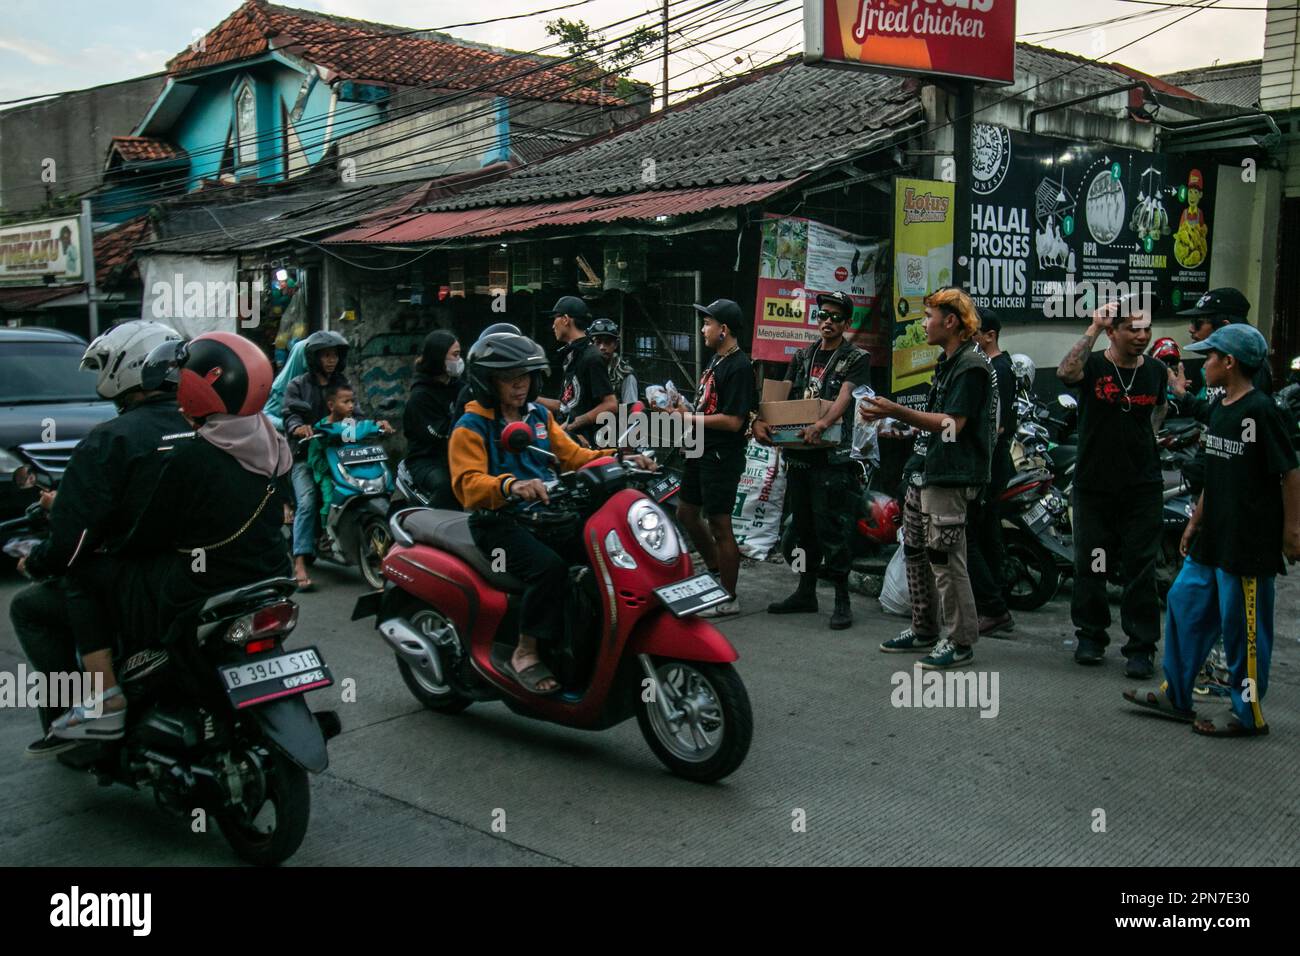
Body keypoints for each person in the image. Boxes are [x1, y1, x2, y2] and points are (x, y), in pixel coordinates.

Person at [44, 332, 295, 741]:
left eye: (186, 378)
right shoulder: (273, 441)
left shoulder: (194, 453)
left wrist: (114, 547)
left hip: (199, 583)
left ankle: (105, 696)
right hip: (269, 572)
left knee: (83, 575)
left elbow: (148, 535)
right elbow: (285, 508)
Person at [10, 320, 187, 756]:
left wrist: (36, 561)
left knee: (34, 602)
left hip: (142, 577)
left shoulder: (111, 438)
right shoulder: (209, 424)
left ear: (128, 367)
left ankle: (94, 705)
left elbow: (74, 539)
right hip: (205, 568)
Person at [448, 331, 654, 694]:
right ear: (487, 381)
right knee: (550, 569)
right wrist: (510, 485)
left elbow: (574, 456)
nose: (519, 386)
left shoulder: (539, 416)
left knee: (604, 551)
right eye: (509, 379)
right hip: (499, 522)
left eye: (525, 378)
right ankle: (525, 652)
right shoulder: (471, 426)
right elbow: (467, 485)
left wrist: (622, 458)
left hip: (547, 512)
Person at [1124, 324, 1300, 736]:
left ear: (1230, 362)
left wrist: (1293, 531)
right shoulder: (1222, 408)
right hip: (1212, 537)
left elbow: (1290, 473)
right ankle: (1177, 694)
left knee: (1244, 632)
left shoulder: (1261, 410)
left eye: (1210, 358)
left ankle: (1247, 712)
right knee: (1184, 605)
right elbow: (1217, 476)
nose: (1203, 366)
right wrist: (1194, 522)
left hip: (1247, 543)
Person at [862, 287, 996, 669]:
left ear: (950, 321)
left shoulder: (971, 366)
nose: (923, 325)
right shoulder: (949, 362)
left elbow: (953, 426)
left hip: (950, 477)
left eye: (928, 317)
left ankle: (960, 641)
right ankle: (923, 628)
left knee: (946, 559)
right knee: (916, 552)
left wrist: (896, 410)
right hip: (926, 471)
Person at [1056, 297, 1169, 678]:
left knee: (1140, 567)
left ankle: (1141, 647)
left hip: (1142, 488)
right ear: (1112, 331)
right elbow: (1066, 372)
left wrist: (1145, 442)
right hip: (1094, 486)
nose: (1141, 336)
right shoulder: (1094, 366)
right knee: (1093, 562)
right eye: (1132, 329)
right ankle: (1091, 635)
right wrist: (1092, 327)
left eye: (1145, 329)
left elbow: (1158, 409)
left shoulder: (1154, 370)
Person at [754, 290, 868, 630]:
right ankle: (805, 591)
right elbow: (781, 392)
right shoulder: (803, 355)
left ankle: (842, 599)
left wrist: (822, 424)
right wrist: (759, 420)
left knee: (831, 529)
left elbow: (845, 397)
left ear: (847, 323)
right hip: (798, 454)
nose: (827, 322)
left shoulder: (855, 358)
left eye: (835, 317)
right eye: (822, 316)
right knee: (802, 529)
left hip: (831, 459)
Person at [665, 299, 756, 618]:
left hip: (720, 455)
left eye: (707, 323)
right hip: (698, 449)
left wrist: (688, 420)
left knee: (719, 523)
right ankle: (717, 571)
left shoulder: (740, 366)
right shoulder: (716, 360)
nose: (703, 329)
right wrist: (682, 411)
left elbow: (733, 421)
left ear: (724, 330)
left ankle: (729, 596)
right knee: (687, 513)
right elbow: (708, 408)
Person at [283, 330, 388, 589]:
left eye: (335, 355)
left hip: (342, 453)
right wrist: (299, 427)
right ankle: (299, 563)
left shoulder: (343, 383)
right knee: (307, 502)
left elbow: (357, 414)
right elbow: (290, 414)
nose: (331, 360)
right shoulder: (298, 384)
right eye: (325, 355)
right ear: (313, 357)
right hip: (307, 455)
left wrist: (376, 425)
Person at [967, 307, 1016, 636]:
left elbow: (995, 426)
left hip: (989, 463)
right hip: (993, 462)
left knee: (970, 535)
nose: (972, 336)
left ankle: (993, 607)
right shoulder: (996, 365)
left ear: (990, 336)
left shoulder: (997, 369)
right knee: (986, 534)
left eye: (976, 331)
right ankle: (994, 601)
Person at [536, 296, 616, 448]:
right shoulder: (572, 355)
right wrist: (532, 399)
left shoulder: (592, 357)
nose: (553, 325)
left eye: (555, 318)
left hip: (585, 445)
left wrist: (574, 425)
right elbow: (566, 405)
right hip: (567, 438)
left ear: (566, 319)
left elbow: (610, 404)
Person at [306, 383, 394, 519]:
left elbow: (364, 428)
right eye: (346, 402)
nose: (351, 405)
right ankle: (327, 532)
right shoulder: (321, 427)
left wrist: (379, 426)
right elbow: (315, 457)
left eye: (352, 401)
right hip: (326, 468)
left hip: (349, 464)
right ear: (331, 406)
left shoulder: (352, 424)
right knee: (330, 497)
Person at [402, 330, 463, 509]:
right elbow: (437, 434)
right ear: (438, 357)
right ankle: (429, 528)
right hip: (427, 459)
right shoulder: (420, 396)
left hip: (457, 455)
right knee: (448, 486)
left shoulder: (459, 386)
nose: (459, 360)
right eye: (455, 355)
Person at [588, 318, 640, 406]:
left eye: (607, 342)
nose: (602, 347)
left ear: (616, 344)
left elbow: (629, 408)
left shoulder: (625, 374)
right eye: (598, 342)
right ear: (591, 345)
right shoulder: (584, 367)